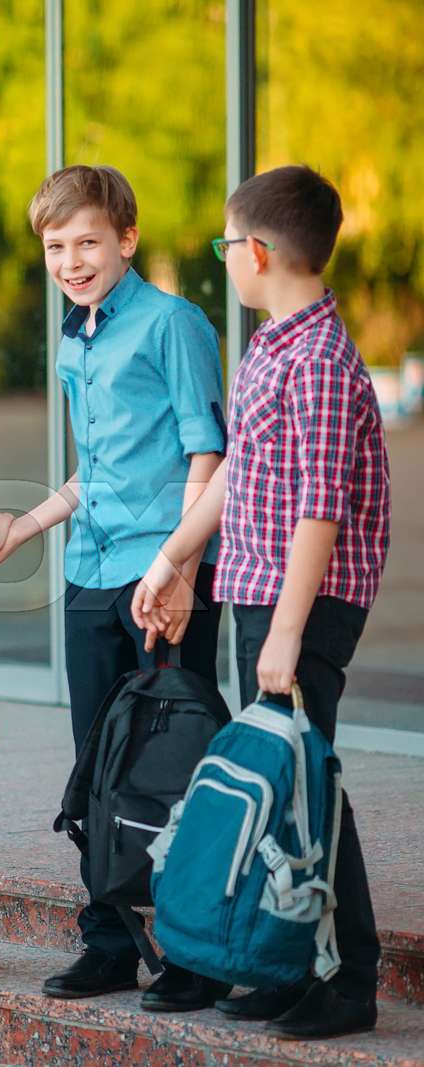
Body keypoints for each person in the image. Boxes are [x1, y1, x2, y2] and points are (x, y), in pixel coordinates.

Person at [133, 164, 390, 1041]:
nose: (224, 260)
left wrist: (284, 633)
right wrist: (174, 558)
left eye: (225, 244)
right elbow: (241, 469)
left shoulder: (318, 361)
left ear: (260, 251)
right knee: (290, 786)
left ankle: (352, 977)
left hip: (300, 607)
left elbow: (320, 505)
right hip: (260, 594)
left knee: (309, 781)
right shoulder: (274, 346)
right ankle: (289, 963)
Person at [0, 164, 229, 1010]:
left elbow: (207, 455)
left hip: (164, 576)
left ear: (127, 238)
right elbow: (94, 470)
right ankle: (111, 939)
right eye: (55, 246)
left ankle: (192, 950)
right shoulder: (76, 337)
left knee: (172, 768)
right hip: (90, 573)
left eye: (86, 242)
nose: (71, 260)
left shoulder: (172, 324)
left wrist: (181, 569)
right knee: (100, 768)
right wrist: (22, 529)